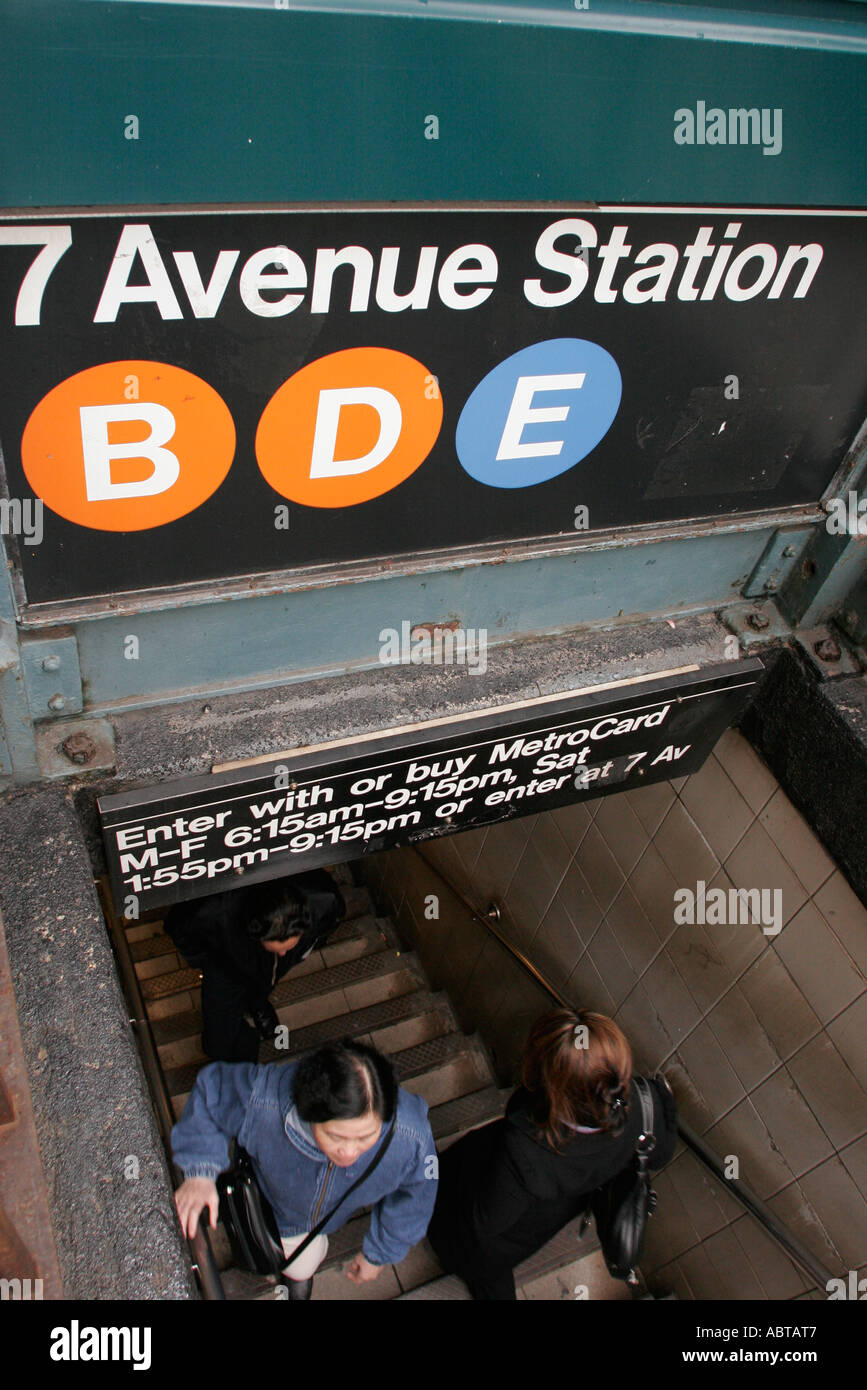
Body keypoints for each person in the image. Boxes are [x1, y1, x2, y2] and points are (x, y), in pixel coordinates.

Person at [426, 1008, 677, 1300]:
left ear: (551, 1084)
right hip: (562, 1206)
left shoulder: (524, 1149)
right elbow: (660, 1155)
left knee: (471, 1247)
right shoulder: (648, 1105)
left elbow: (486, 1223)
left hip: (510, 1213)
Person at [172, 1037, 438, 1298]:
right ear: (310, 1112)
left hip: (318, 1224)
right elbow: (213, 1090)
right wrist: (199, 1172)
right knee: (301, 1260)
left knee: (303, 1261)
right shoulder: (265, 1102)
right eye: (336, 1136)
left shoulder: (410, 1137)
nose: (349, 1151)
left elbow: (418, 1192)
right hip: (275, 1208)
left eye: (365, 1137)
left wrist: (381, 1254)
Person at [163, 869, 345, 1063]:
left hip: (265, 970)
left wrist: (302, 951)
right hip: (226, 968)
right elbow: (179, 929)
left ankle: (257, 1004)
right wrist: (209, 962)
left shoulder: (323, 898)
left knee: (265, 981)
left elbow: (331, 920)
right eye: (276, 947)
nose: (282, 953)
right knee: (219, 1041)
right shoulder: (213, 910)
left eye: (288, 946)